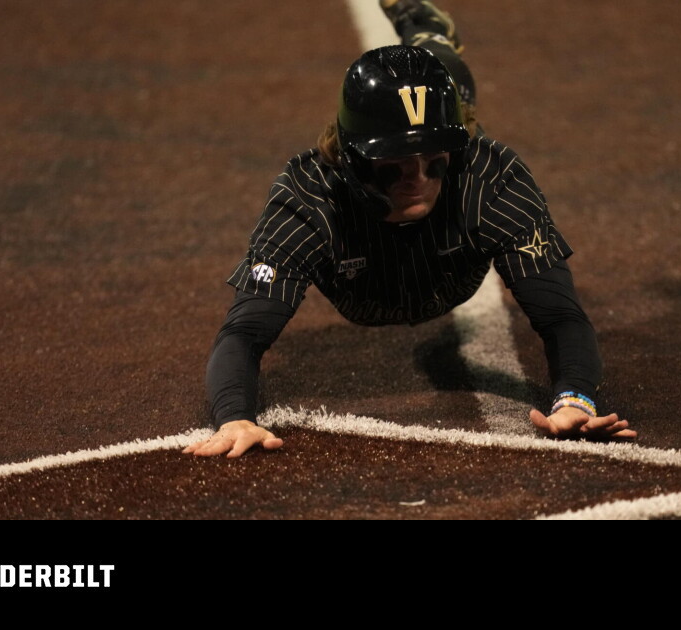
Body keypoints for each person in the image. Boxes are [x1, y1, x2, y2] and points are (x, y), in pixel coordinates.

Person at [185, 0, 636, 458]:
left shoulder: (490, 178)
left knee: (448, 73)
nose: (418, 178)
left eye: (432, 160)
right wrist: (234, 415)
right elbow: (243, 334)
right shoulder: (309, 198)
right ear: (353, 157)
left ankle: (425, 26)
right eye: (395, 164)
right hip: (369, 286)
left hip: (444, 245)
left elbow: (561, 318)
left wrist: (575, 396)